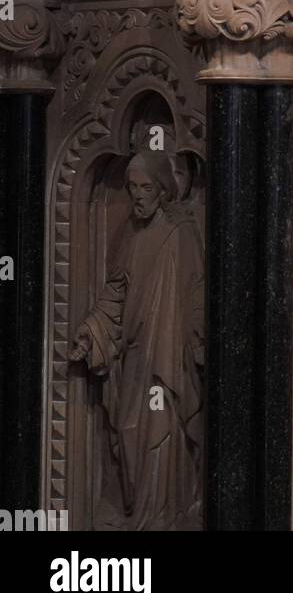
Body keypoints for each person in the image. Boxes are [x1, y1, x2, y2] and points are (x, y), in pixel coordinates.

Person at [69, 150, 205, 531]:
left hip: (170, 358)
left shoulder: (183, 234)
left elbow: (199, 294)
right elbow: (116, 294)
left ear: (163, 190)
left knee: (163, 432)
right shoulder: (128, 235)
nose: (138, 195)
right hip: (134, 356)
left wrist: (199, 344)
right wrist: (92, 330)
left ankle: (165, 516)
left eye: (146, 187)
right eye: (132, 187)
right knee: (128, 432)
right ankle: (138, 513)